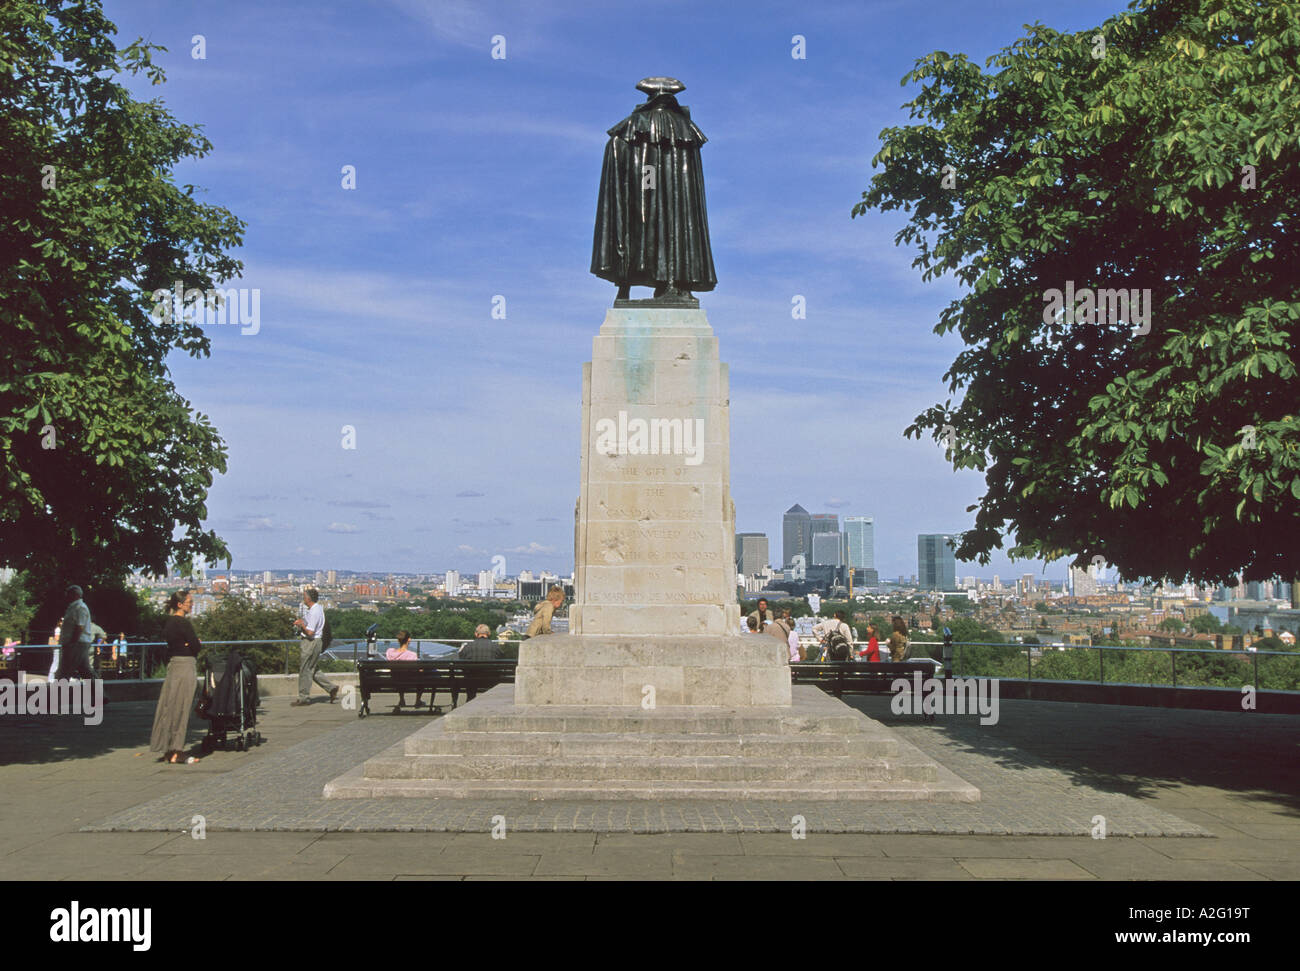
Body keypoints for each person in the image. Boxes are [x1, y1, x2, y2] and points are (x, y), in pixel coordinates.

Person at [149, 590, 202, 764]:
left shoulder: (169, 623)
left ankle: (167, 749)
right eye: (189, 602)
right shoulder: (182, 623)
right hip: (185, 667)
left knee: (169, 706)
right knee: (181, 707)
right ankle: (177, 751)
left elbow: (178, 645)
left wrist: (189, 643)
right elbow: (195, 646)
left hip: (174, 667)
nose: (192, 604)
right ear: (180, 604)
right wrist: (193, 643)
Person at [291, 588, 338, 706]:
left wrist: (301, 625)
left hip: (310, 642)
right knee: (311, 668)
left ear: (308, 598)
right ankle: (331, 688)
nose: (303, 598)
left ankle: (303, 697)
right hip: (316, 642)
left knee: (305, 669)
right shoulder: (317, 609)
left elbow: (310, 632)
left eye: (304, 596)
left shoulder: (314, 611)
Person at [56, 585, 96, 681]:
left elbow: (80, 627)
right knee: (85, 671)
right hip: (77, 644)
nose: (66, 596)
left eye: (69, 594)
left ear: (75, 595)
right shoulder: (74, 607)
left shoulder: (80, 608)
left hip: (77, 644)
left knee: (64, 671)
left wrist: (72, 643)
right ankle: (101, 695)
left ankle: (58, 694)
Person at [458, 624, 503, 703]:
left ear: (476, 634)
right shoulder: (496, 647)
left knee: (470, 681)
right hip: (491, 681)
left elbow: (461, 662)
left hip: (471, 681)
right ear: (489, 634)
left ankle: (470, 700)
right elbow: (502, 662)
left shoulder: (468, 647)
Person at [385, 630, 422, 709]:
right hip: (410, 682)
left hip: (395, 681)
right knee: (421, 676)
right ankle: (417, 700)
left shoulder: (390, 652)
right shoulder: (412, 655)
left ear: (398, 640)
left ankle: (402, 699)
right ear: (409, 640)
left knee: (398, 674)